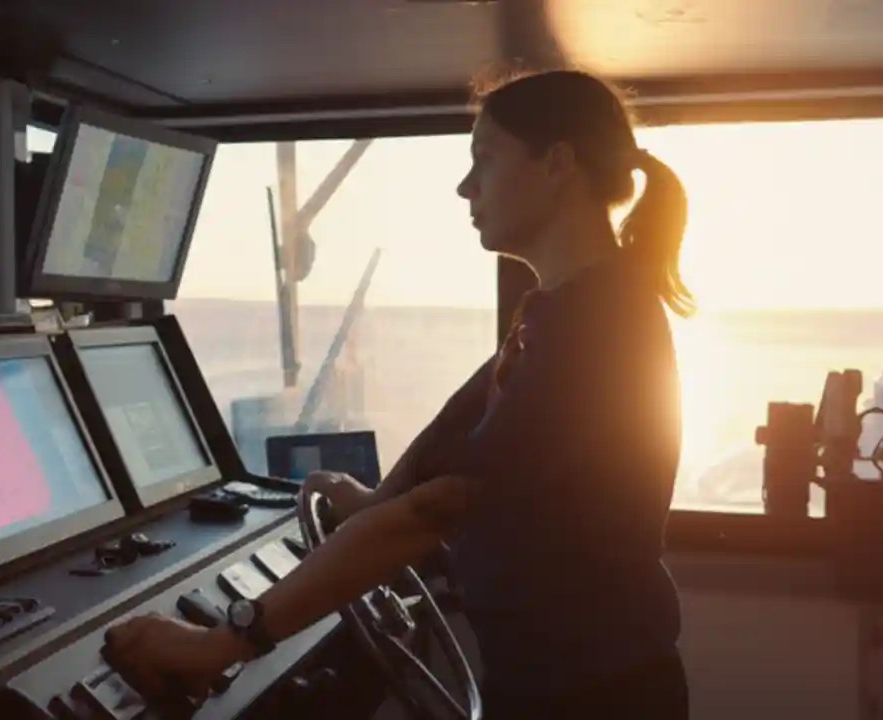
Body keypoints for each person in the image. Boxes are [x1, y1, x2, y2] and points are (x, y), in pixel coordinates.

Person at [103, 69, 692, 718]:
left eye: (484, 160)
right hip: (550, 683)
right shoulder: (555, 310)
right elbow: (453, 434)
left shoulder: (596, 321)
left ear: (558, 163)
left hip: (592, 697)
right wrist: (371, 503)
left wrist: (216, 646)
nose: (467, 187)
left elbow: (438, 507)